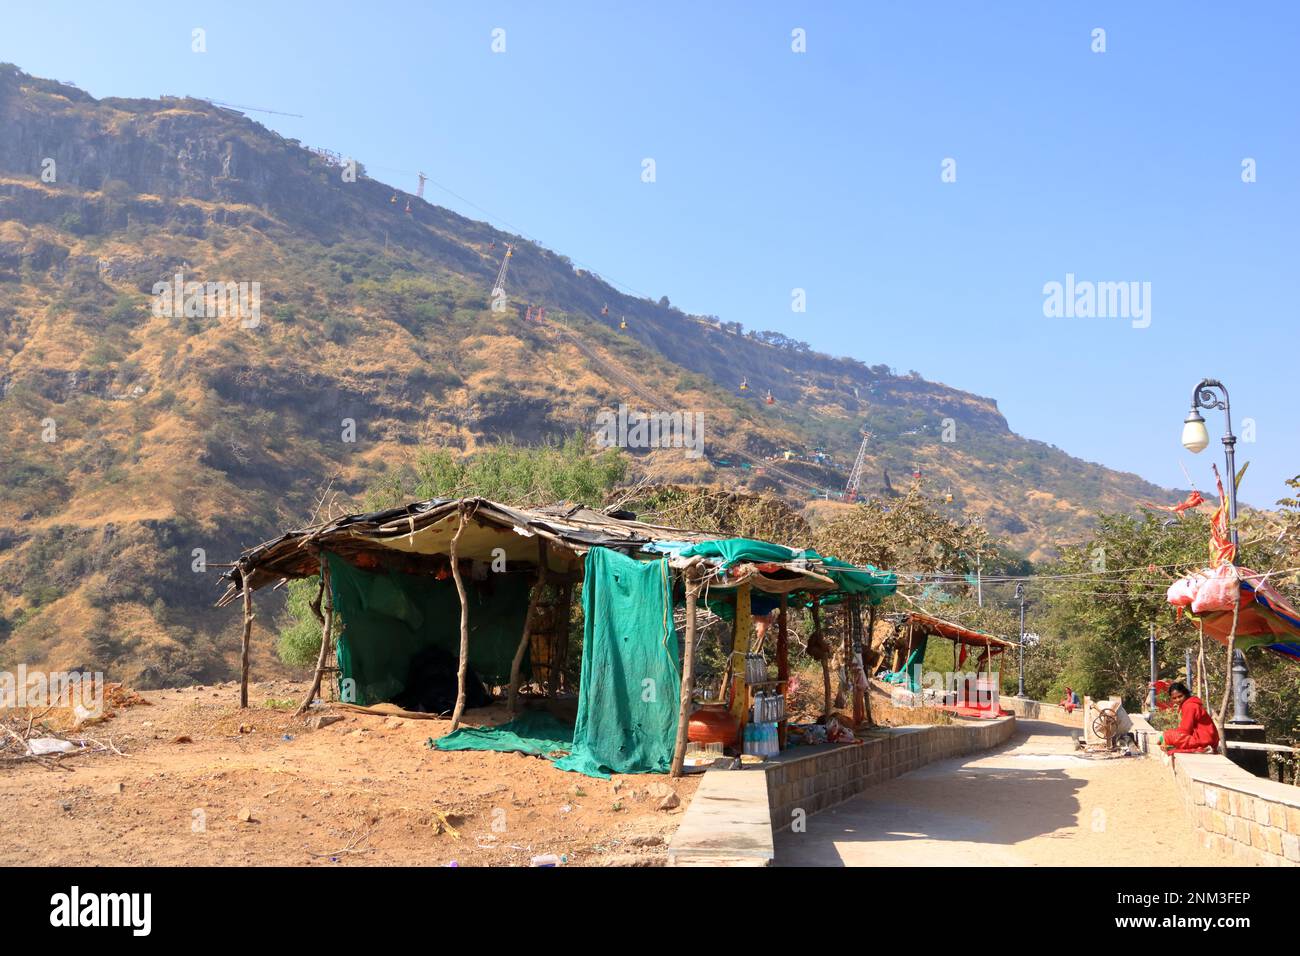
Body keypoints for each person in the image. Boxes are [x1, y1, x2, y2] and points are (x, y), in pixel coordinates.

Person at [1159, 681, 1220, 753]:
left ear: (1186, 694)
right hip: (1206, 738)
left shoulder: (1189, 706)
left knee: (1167, 736)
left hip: (1205, 740)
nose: (1178, 700)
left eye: (1180, 696)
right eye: (1174, 698)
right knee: (1167, 735)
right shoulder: (1188, 704)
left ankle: (1204, 748)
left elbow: (1185, 730)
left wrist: (1166, 738)